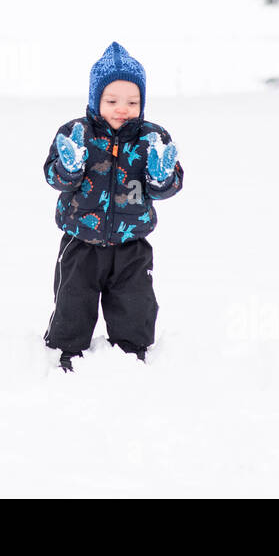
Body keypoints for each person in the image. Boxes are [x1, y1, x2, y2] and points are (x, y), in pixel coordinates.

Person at [41, 41, 184, 372]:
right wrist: (69, 167)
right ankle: (64, 352)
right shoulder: (77, 134)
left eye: (132, 101)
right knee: (73, 302)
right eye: (112, 100)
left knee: (136, 304)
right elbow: (54, 177)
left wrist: (162, 177)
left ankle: (131, 352)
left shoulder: (152, 138)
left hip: (132, 244)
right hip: (81, 241)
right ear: (95, 99)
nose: (123, 108)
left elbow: (168, 186)